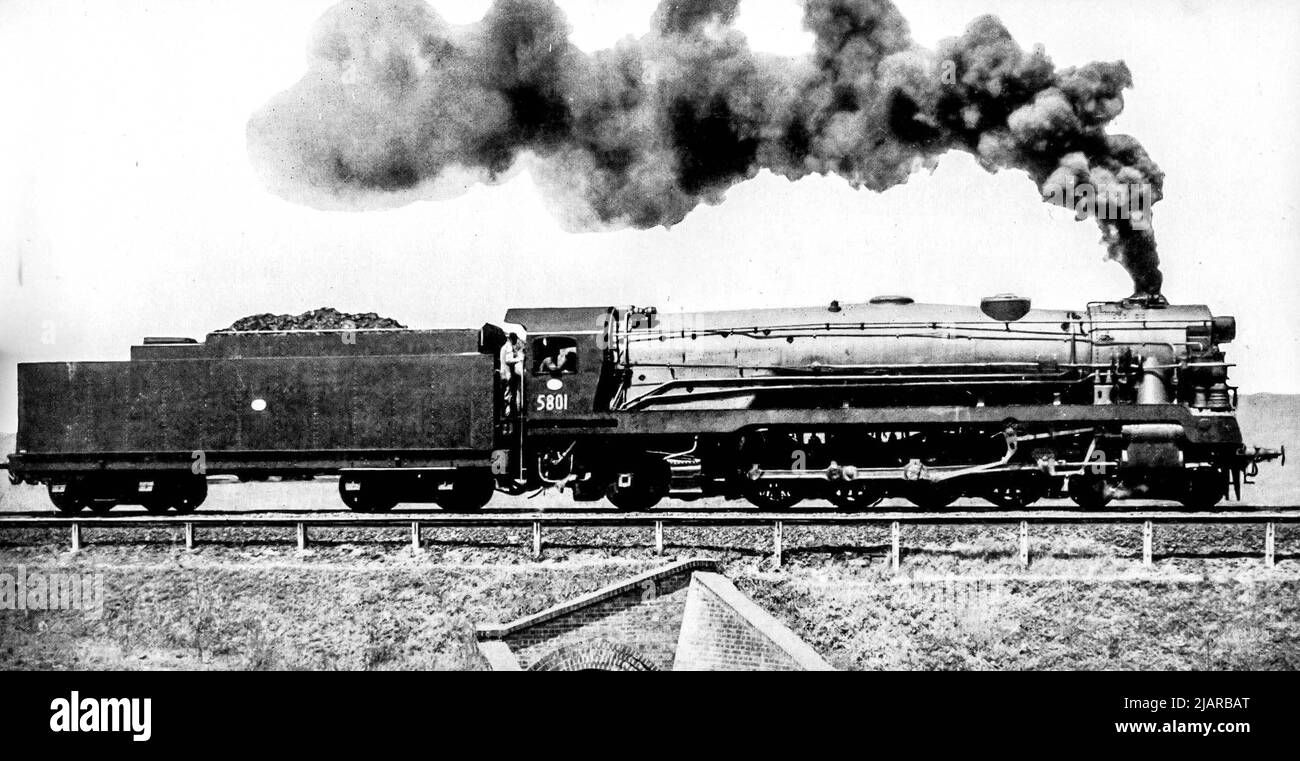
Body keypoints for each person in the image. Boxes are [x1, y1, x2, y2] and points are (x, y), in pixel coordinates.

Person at [499, 333, 525, 414]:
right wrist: (519, 358)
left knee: (508, 393)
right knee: (509, 393)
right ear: (512, 339)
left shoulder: (504, 347)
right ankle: (509, 412)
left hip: (504, 372)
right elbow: (508, 360)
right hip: (508, 373)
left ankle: (509, 411)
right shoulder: (508, 346)